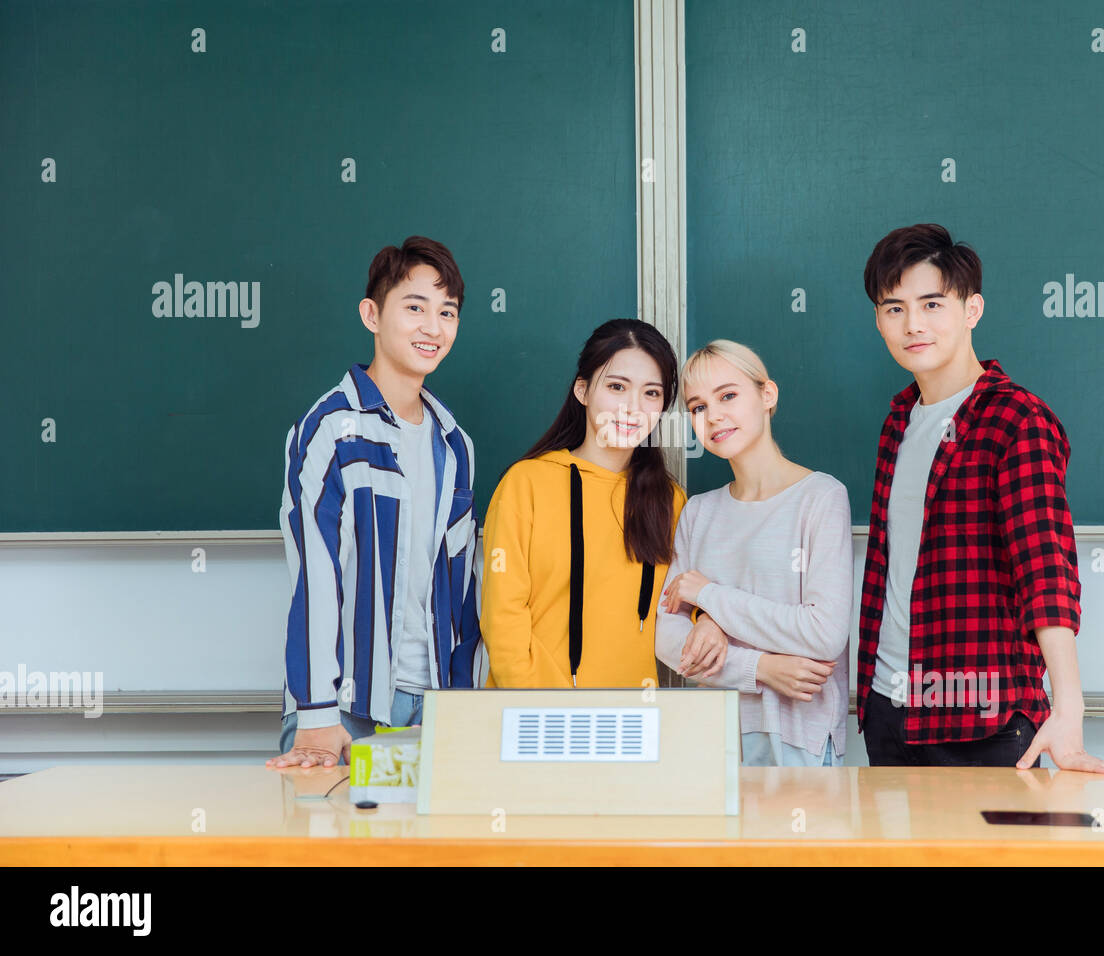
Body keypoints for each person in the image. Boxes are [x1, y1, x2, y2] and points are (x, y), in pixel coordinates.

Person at [857, 223, 1104, 772]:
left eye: (932, 304)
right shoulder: (898, 423)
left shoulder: (1016, 420)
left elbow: (1046, 571)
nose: (913, 325)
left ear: (972, 310)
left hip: (983, 718)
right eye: (894, 308)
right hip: (890, 710)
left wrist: (1069, 705)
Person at [267, 237, 482, 771]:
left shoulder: (455, 444)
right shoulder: (332, 430)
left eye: (447, 312)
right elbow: (314, 572)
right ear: (372, 314)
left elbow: (462, 588)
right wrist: (316, 713)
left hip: (431, 707)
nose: (433, 327)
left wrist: (461, 706)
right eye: (414, 307)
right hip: (343, 709)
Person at [656, 340, 853, 766]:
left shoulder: (821, 497)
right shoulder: (698, 512)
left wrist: (709, 599)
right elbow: (667, 637)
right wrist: (759, 668)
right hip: (715, 736)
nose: (714, 416)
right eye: (698, 407)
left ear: (767, 396)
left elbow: (823, 633)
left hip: (802, 737)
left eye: (728, 396)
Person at [480, 319, 687, 688]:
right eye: (617, 387)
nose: (632, 407)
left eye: (651, 393)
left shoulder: (670, 503)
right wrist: (547, 713)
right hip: (535, 720)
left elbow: (684, 614)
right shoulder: (525, 484)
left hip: (632, 726)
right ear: (583, 390)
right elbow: (503, 619)